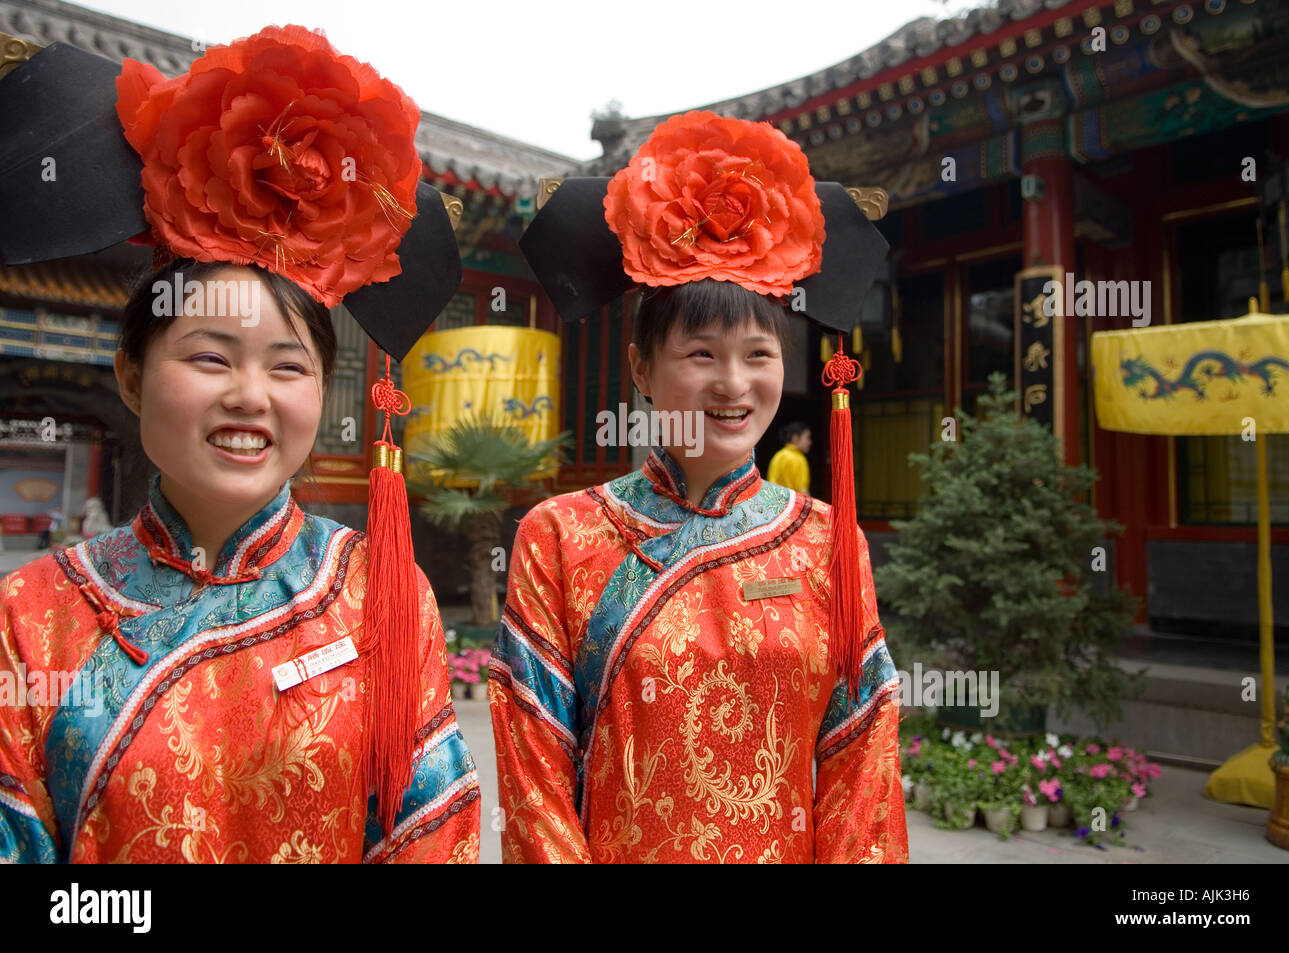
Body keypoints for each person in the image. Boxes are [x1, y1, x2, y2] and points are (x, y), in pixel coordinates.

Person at [0, 25, 478, 863]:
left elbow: (426, 834)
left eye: (287, 366)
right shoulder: (30, 616)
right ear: (132, 376)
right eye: (210, 356)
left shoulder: (382, 595)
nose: (249, 395)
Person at [490, 110, 907, 863]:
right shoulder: (560, 535)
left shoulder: (827, 540)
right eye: (702, 353)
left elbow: (860, 762)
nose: (734, 382)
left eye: (758, 353)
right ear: (642, 369)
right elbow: (534, 780)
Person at [767, 421, 813, 495]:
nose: (810, 442)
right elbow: (803, 490)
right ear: (795, 438)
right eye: (807, 438)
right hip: (793, 503)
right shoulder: (799, 459)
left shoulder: (778, 456)